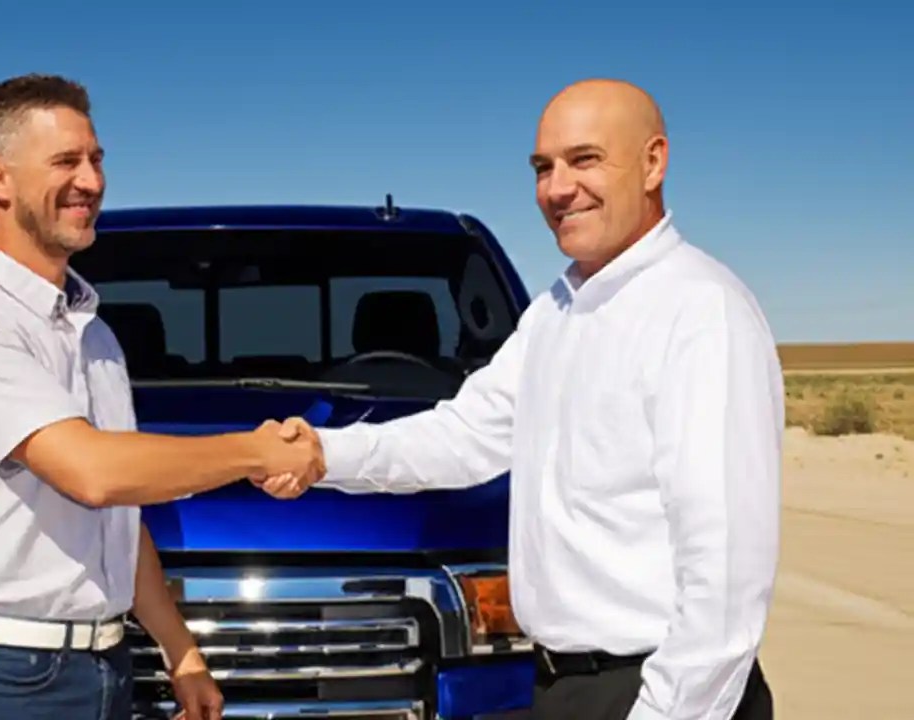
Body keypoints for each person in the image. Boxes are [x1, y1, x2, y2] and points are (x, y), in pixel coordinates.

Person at [256, 78, 782, 720]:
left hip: (655, 691)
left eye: (585, 159)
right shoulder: (556, 312)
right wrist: (321, 453)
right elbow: (465, 436)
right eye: (543, 167)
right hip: (562, 688)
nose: (558, 188)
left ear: (653, 162)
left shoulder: (701, 313)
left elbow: (725, 581)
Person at [0, 73, 322, 720]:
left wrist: (181, 652)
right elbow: (92, 472)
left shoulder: (93, 336)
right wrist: (257, 453)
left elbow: (118, 515)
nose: (92, 182)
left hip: (103, 670)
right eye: (66, 161)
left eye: (96, 160)